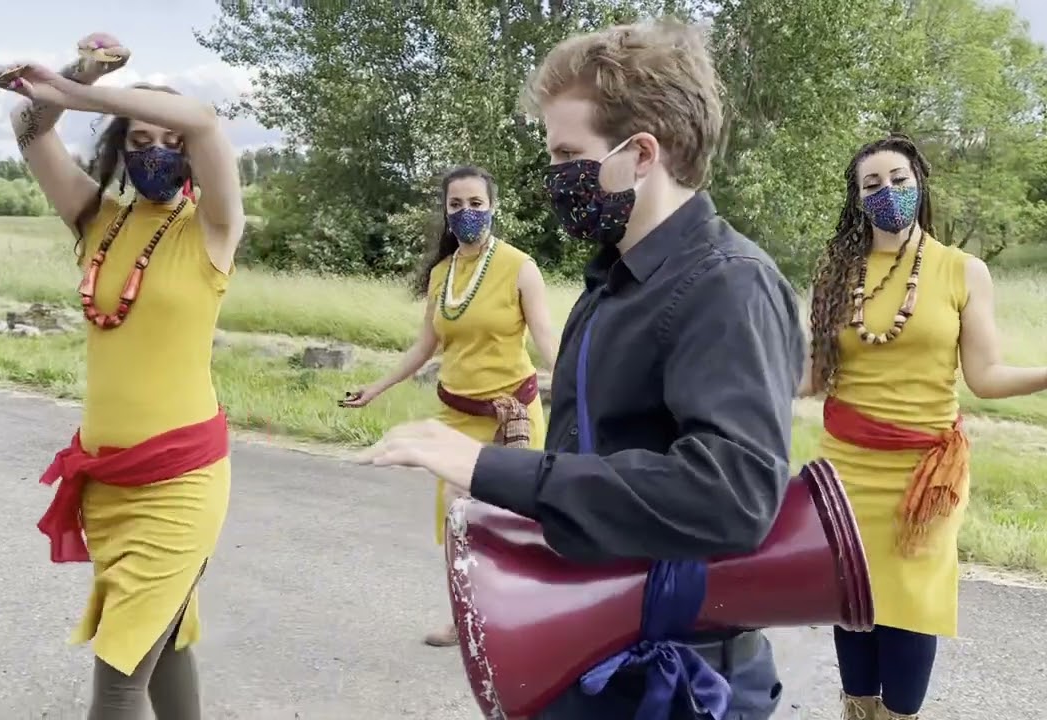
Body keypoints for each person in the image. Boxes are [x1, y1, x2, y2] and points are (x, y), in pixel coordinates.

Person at [357, 20, 805, 720]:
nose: (555, 177)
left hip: (678, 679)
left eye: (569, 153)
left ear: (642, 152)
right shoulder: (615, 281)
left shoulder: (728, 283)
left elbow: (732, 494)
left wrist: (490, 470)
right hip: (599, 642)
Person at [0, 31, 244, 720]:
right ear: (116, 150)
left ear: (188, 151)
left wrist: (76, 92)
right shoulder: (96, 219)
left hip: (180, 482)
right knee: (162, 645)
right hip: (107, 480)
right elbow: (27, 128)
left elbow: (207, 121)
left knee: (120, 672)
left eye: (167, 139)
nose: (153, 151)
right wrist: (80, 73)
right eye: (135, 142)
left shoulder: (213, 227)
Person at [800, 133, 1047, 720]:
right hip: (847, 469)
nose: (888, 193)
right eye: (872, 185)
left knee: (911, 605)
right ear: (858, 200)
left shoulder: (964, 271)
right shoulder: (835, 272)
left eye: (899, 180)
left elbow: (984, 378)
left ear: (920, 183)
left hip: (925, 475)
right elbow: (808, 379)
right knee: (853, 601)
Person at [341, 165, 559, 647]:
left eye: (476, 204)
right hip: (456, 419)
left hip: (511, 417)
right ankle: (466, 619)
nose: (467, 214)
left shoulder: (520, 267)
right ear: (445, 211)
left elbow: (547, 342)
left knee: (514, 522)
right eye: (456, 205)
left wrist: (581, 391)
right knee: (458, 520)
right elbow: (425, 348)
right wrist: (376, 387)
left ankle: (523, 620)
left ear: (493, 207)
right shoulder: (443, 274)